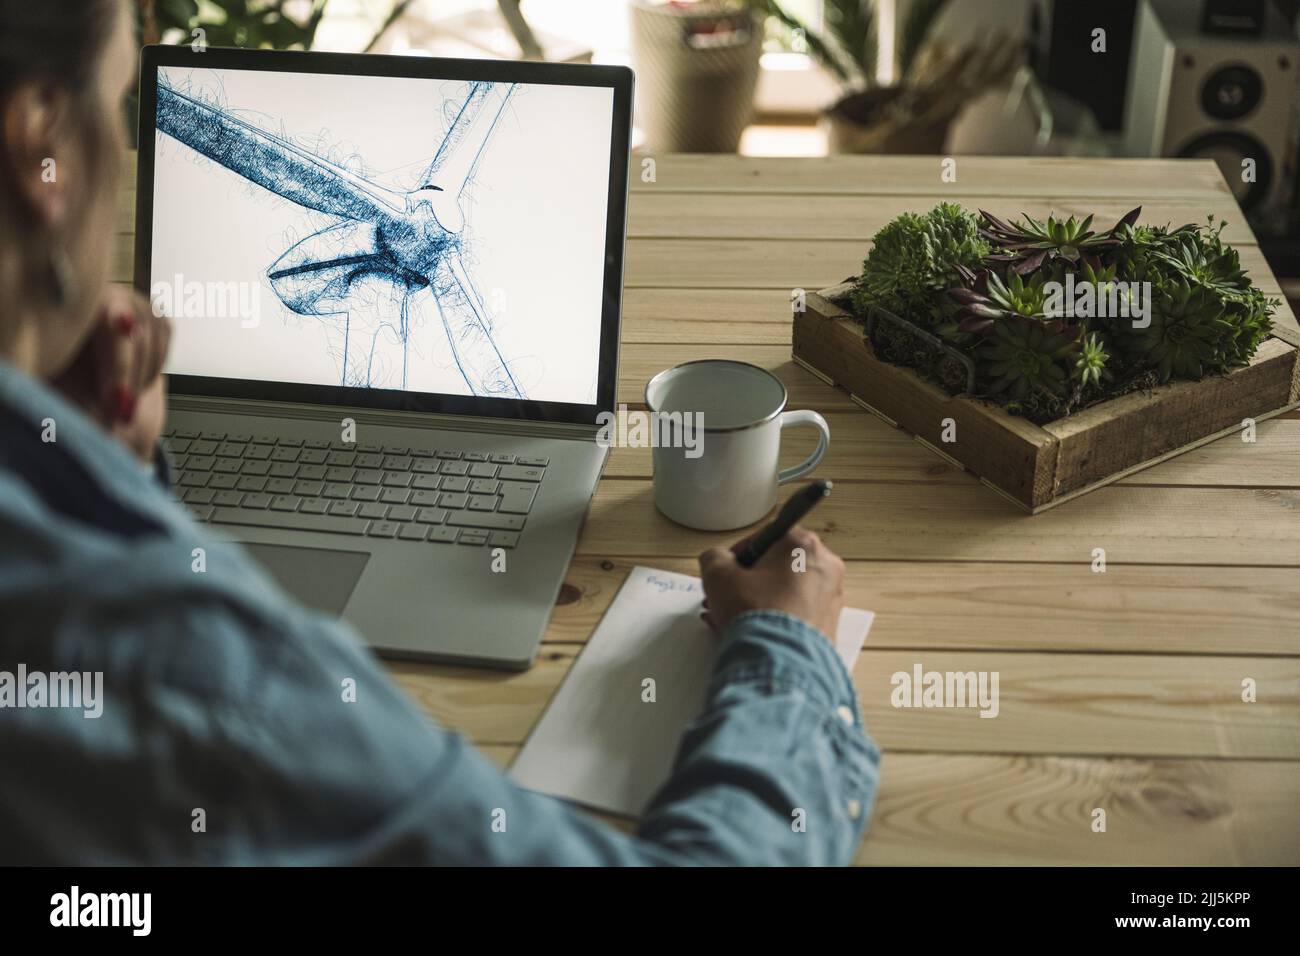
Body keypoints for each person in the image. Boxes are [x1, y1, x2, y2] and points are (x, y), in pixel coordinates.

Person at [0, 0, 879, 865]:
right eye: (117, 104)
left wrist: (107, 473)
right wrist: (788, 653)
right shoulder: (210, 677)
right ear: (43, 143)